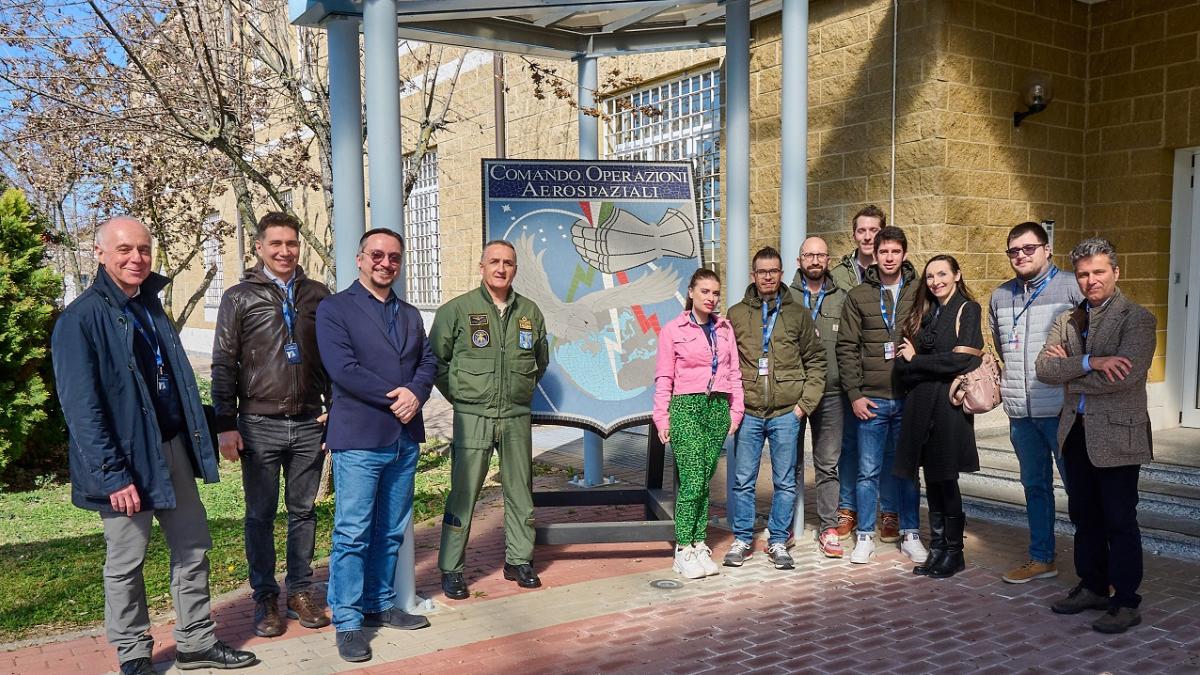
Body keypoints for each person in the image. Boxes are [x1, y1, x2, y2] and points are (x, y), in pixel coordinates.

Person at [51, 216, 256, 675]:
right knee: (127, 561)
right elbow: (82, 410)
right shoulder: (79, 320)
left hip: (171, 449)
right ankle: (133, 653)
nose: (136, 258)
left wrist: (211, 427)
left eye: (143, 249)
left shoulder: (150, 307)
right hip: (125, 462)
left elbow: (173, 384)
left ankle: (196, 642)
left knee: (193, 548)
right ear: (100, 253)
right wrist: (113, 475)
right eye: (124, 249)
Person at [315, 228, 436, 662]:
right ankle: (348, 621)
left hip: (404, 438)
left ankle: (379, 603)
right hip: (361, 438)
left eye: (394, 257)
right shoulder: (335, 309)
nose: (386, 263)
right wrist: (398, 397)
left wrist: (416, 393)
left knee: (390, 529)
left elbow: (428, 361)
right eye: (377, 255)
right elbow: (343, 369)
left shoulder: (410, 313)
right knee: (353, 532)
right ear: (360, 259)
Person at [211, 212, 332, 637]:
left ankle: (300, 591)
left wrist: (335, 406)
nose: (284, 251)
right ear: (259, 247)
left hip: (309, 421)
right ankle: (265, 597)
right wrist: (225, 424)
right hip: (258, 423)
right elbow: (223, 362)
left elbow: (332, 357)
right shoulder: (238, 297)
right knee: (260, 515)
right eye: (276, 244)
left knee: (303, 511)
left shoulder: (318, 295)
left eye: (291, 243)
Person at [1036, 238, 1156, 635]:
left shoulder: (1137, 319)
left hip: (1119, 436)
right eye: (1083, 274)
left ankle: (1126, 600)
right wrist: (1092, 361)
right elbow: (1043, 369)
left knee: (1119, 520)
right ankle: (1093, 586)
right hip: (1075, 433)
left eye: (1099, 272)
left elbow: (1125, 377)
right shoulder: (1067, 319)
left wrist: (1071, 373)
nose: (1091, 280)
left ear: (1116, 272)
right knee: (1084, 517)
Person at [431, 240, 549, 600]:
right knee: (464, 493)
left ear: (515, 269)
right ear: (481, 266)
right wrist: (462, 396)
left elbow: (540, 361)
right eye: (494, 261)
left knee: (520, 490)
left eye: (508, 263)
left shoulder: (529, 312)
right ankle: (452, 568)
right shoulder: (457, 310)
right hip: (473, 417)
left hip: (515, 416)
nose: (501, 268)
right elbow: (436, 361)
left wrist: (518, 392)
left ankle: (519, 560)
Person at [989, 222, 1083, 584]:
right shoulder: (1001, 296)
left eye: (1029, 248)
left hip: (1062, 411)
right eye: (1014, 250)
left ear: (1047, 249)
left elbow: (1090, 342)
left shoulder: (1072, 287)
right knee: (1035, 487)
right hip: (1020, 412)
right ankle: (1042, 558)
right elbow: (1002, 346)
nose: (1021, 256)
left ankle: (1097, 568)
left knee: (1079, 489)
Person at [724, 247, 825, 570]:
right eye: (762, 271)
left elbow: (816, 360)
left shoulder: (798, 314)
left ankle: (778, 539)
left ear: (781, 274)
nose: (768, 277)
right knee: (743, 480)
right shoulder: (736, 314)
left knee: (785, 481)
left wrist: (804, 406)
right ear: (753, 275)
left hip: (786, 413)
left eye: (773, 271)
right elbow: (726, 362)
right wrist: (733, 404)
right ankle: (743, 538)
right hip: (749, 412)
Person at [836, 225, 926, 564]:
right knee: (867, 471)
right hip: (871, 400)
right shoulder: (859, 295)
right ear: (874, 255)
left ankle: (911, 534)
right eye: (883, 251)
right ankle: (864, 536)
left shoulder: (918, 291)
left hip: (908, 397)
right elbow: (846, 347)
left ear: (904, 254)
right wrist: (855, 395)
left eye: (895, 251)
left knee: (907, 470)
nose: (889, 257)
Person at [894, 256, 983, 578]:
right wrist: (924, 364)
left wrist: (917, 361)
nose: (936, 281)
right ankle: (937, 548)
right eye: (930, 276)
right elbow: (901, 366)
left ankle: (954, 552)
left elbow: (963, 362)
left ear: (957, 275)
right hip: (920, 407)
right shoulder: (923, 312)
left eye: (942, 274)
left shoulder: (968, 309)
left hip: (948, 407)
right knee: (931, 480)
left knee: (946, 479)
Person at [653, 268, 745, 579]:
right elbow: (664, 377)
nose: (711, 298)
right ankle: (682, 548)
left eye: (716, 293)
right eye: (705, 291)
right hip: (686, 408)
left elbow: (734, 373)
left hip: (717, 408)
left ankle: (698, 542)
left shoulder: (724, 329)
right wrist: (662, 417)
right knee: (692, 480)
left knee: (704, 479)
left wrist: (735, 411)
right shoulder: (673, 330)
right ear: (691, 292)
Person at [789, 235, 851, 558]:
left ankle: (828, 527)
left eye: (820, 255)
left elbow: (851, 345)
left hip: (831, 393)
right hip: (794, 394)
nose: (815, 260)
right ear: (799, 260)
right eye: (809, 255)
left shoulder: (843, 298)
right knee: (790, 463)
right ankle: (786, 525)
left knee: (828, 465)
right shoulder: (786, 297)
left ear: (828, 260)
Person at [829, 205, 885, 540]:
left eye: (874, 230)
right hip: (849, 369)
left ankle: (887, 511)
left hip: (884, 372)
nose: (867, 237)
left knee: (886, 446)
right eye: (862, 231)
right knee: (849, 445)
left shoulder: (895, 270)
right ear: (854, 235)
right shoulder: (838, 275)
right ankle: (848, 508)